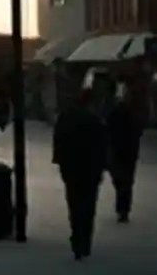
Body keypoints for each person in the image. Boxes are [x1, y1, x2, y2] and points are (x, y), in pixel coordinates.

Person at [53, 87, 109, 261]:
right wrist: (103, 165)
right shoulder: (96, 120)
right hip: (90, 168)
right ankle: (84, 240)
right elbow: (102, 146)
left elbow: (59, 140)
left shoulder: (66, 117)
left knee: (74, 203)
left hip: (72, 167)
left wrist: (60, 160)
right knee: (89, 205)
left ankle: (77, 235)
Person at [107, 83, 145, 224]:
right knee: (126, 182)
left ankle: (122, 208)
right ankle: (123, 208)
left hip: (120, 152)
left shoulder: (115, 113)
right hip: (127, 152)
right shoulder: (130, 114)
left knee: (121, 181)